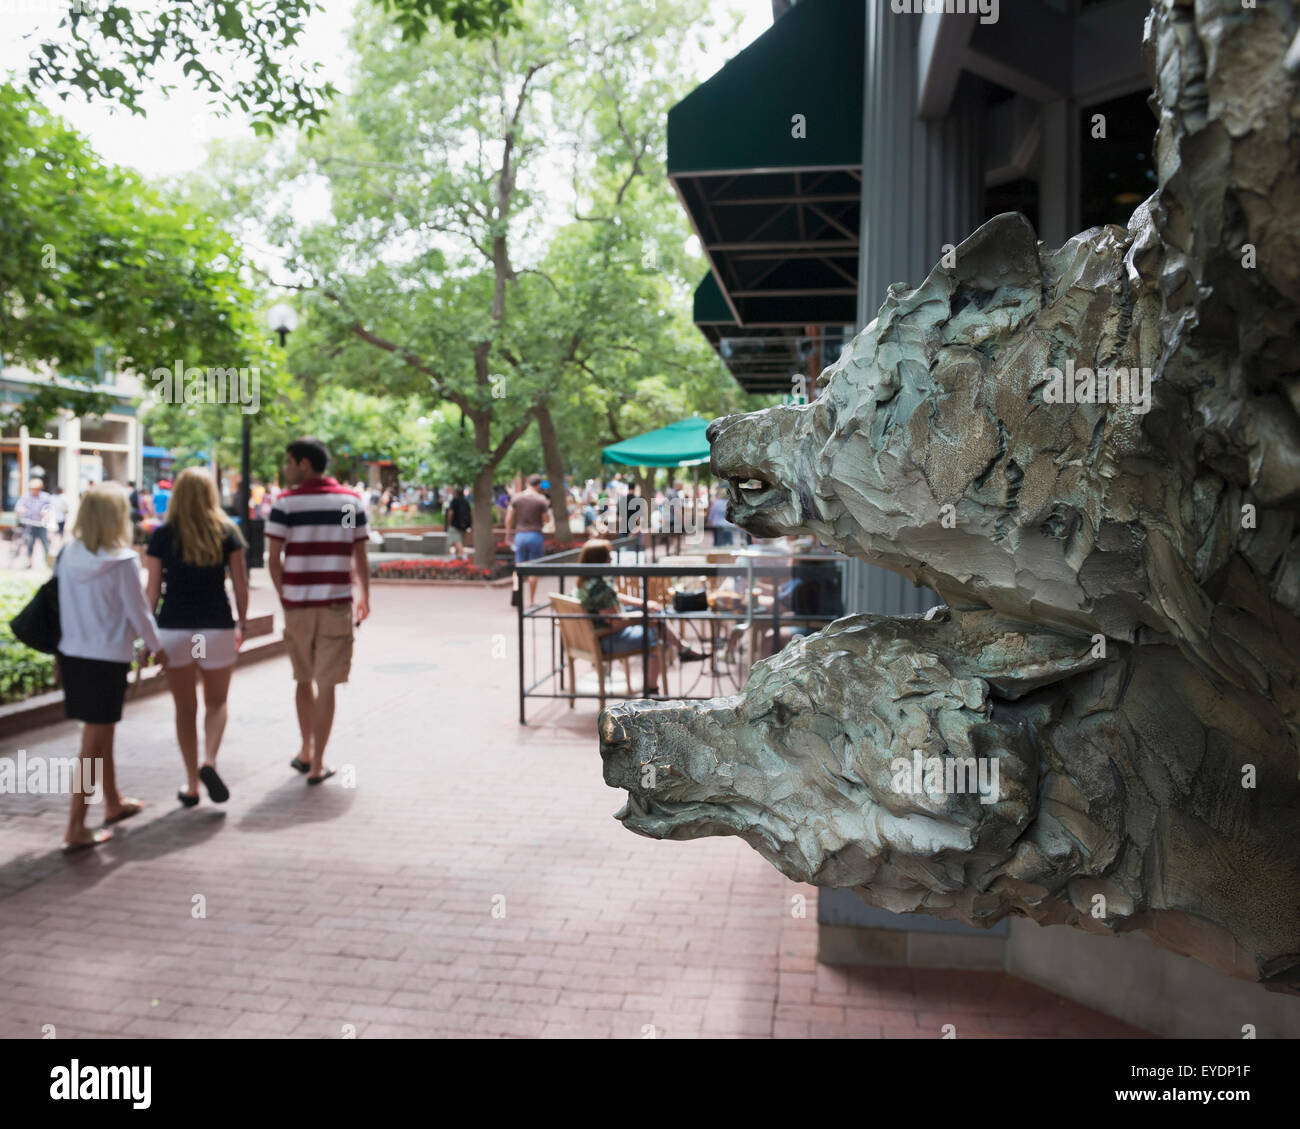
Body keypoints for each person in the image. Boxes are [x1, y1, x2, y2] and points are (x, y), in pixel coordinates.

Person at [56, 483, 168, 852]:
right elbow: (139, 613)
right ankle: (76, 826)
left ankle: (114, 802)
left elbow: (57, 608)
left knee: (100, 734)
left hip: (73, 655)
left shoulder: (66, 554)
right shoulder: (122, 561)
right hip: (105, 660)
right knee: (93, 741)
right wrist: (156, 648)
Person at [264, 438, 370, 785]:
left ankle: (307, 749)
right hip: (336, 604)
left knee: (303, 678)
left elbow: (273, 559)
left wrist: (285, 595)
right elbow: (359, 554)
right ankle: (317, 762)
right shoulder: (349, 502)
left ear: (304, 464)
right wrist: (364, 594)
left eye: (289, 462)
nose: (286, 468)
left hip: (298, 606)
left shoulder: (285, 504)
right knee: (327, 685)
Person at [144, 467, 249, 809]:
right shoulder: (226, 532)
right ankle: (210, 762)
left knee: (184, 708)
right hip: (214, 628)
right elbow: (240, 583)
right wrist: (242, 623)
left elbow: (151, 590)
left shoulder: (161, 536)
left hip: (174, 629)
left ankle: (191, 784)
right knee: (216, 702)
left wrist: (147, 636)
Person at [573, 539, 705, 695]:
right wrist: (642, 617)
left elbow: (614, 597)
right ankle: (652, 689)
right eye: (608, 556)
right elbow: (615, 623)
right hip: (606, 639)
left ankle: (682, 650)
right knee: (657, 634)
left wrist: (644, 605)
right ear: (599, 560)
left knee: (656, 618)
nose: (611, 559)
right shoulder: (599, 588)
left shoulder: (586, 583)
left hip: (591, 637)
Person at [506, 474, 551, 606]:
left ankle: (517, 589)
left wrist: (508, 534)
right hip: (535, 535)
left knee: (518, 566)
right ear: (538, 485)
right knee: (533, 569)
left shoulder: (517, 498)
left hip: (520, 535)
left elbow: (509, 518)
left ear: (527, 483)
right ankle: (531, 601)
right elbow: (547, 519)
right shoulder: (541, 499)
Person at [14, 478, 52, 567]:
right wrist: (20, 509)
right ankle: (30, 562)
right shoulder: (26, 496)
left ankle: (48, 562)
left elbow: (50, 508)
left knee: (45, 543)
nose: (34, 491)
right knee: (29, 543)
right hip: (30, 524)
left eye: (36, 489)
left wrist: (46, 512)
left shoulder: (45, 496)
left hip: (41, 524)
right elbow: (18, 506)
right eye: (32, 489)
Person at [446, 486, 473, 560]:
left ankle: (464, 557)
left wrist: (449, 523)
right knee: (459, 541)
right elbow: (470, 513)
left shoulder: (454, 501)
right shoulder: (466, 502)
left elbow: (450, 513)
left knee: (456, 541)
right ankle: (456, 558)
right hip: (464, 525)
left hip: (455, 525)